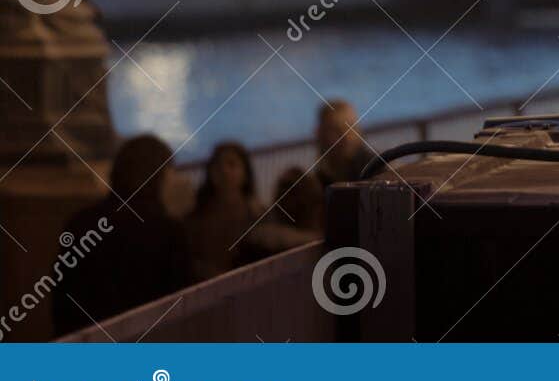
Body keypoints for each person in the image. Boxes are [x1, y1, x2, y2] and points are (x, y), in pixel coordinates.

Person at [54, 134, 191, 335]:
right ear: (159, 176)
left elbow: (62, 300)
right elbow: (180, 304)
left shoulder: (79, 222)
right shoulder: (168, 230)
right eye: (171, 171)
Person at [186, 142, 320, 281]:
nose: (224, 171)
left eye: (231, 164)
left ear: (245, 172)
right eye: (218, 165)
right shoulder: (198, 217)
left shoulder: (257, 214)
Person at [314, 99, 378, 185]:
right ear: (320, 133)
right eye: (336, 130)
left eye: (351, 127)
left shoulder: (378, 168)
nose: (346, 136)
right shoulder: (318, 180)